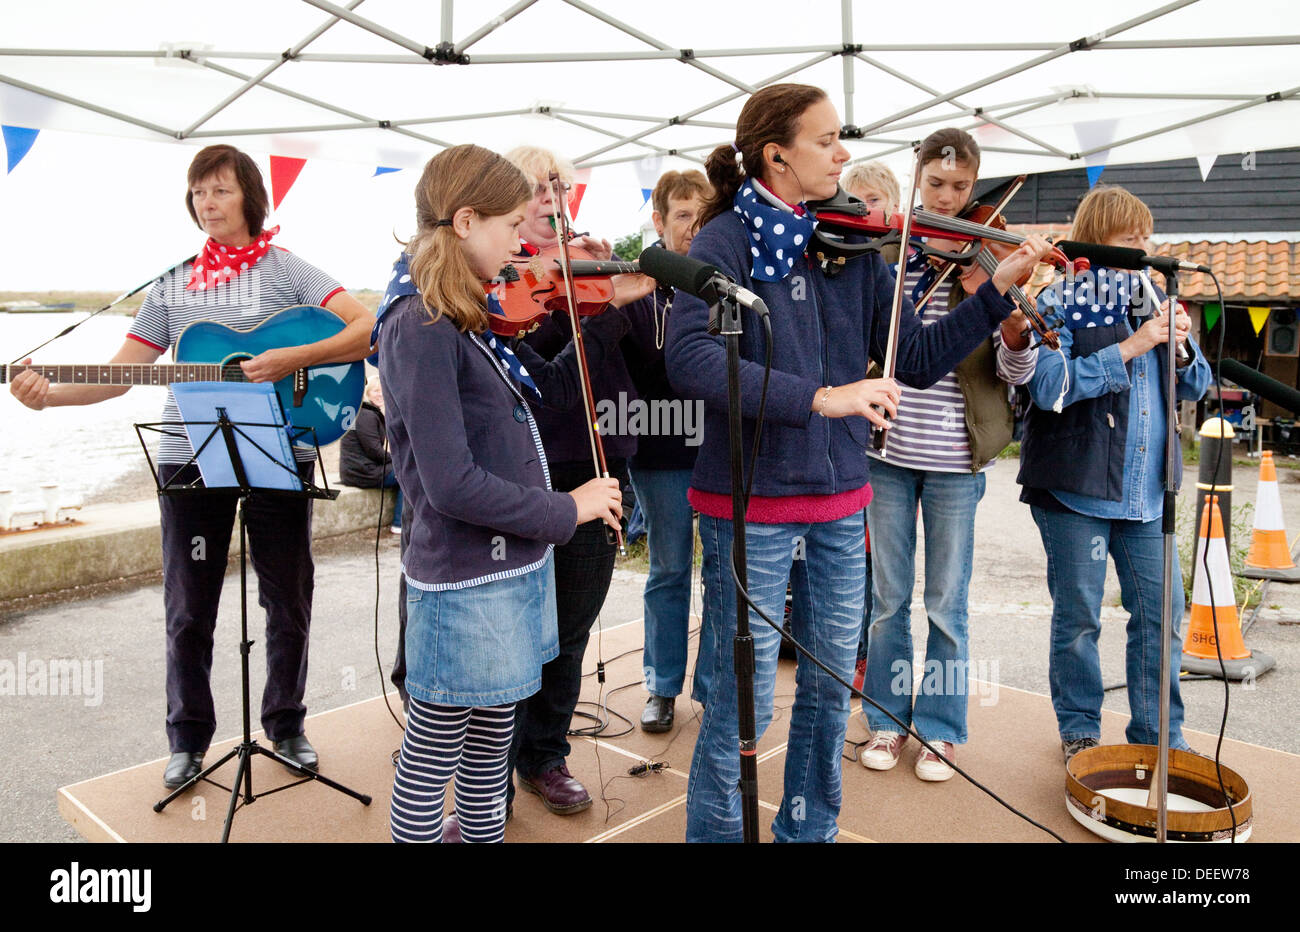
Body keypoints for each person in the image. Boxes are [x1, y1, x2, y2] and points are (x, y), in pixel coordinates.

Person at [665, 83, 1054, 841]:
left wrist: (993, 290)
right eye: (827, 140)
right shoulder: (725, 241)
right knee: (742, 697)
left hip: (842, 501)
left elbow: (911, 357)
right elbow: (690, 360)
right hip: (750, 505)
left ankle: (807, 829)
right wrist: (819, 397)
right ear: (777, 155)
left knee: (826, 688)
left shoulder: (852, 242)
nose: (844, 154)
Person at [9, 144, 373, 788]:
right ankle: (188, 740)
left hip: (279, 448)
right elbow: (124, 374)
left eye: (220, 191)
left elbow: (364, 329)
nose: (207, 202)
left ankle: (286, 724)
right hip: (189, 455)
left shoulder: (289, 269)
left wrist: (294, 359)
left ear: (250, 198)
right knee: (188, 607)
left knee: (287, 599)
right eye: (199, 191)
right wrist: (50, 395)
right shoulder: (171, 284)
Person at [374, 144, 626, 842]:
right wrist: (566, 508)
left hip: (508, 569)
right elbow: (450, 483)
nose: (523, 239)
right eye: (512, 222)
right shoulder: (418, 323)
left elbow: (522, 399)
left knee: (490, 748)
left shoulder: (462, 309)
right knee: (433, 753)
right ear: (464, 221)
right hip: (463, 584)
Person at [859, 128, 1037, 782]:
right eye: (936, 185)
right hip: (888, 453)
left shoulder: (992, 261)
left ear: (974, 187)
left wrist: (1014, 328)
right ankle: (883, 719)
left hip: (958, 461)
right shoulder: (888, 258)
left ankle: (939, 728)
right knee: (886, 598)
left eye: (960, 188)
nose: (948, 197)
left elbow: (1018, 374)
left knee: (945, 603)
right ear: (917, 181)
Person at [1017, 184, 1210, 764]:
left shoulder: (1154, 299)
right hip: (1074, 488)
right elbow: (1048, 386)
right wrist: (1131, 346)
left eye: (1147, 238)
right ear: (1097, 243)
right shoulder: (1057, 300)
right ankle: (1079, 727)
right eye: (1131, 241)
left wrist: (1178, 348)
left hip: (1150, 493)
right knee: (1078, 614)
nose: (1145, 250)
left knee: (1161, 617)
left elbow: (1196, 386)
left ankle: (1159, 738)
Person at [502, 145, 654, 816]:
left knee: (570, 626)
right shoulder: (494, 282)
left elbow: (650, 370)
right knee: (508, 626)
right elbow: (541, 383)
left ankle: (544, 754)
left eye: (559, 187)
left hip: (599, 465)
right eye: (537, 188)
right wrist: (589, 305)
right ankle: (486, 754)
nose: (551, 199)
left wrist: (629, 290)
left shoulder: (590, 266)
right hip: (524, 472)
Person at [620, 169, 711, 732]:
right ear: (659, 221)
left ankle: (716, 686)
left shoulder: (723, 280)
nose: (693, 229)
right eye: (683, 217)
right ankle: (662, 685)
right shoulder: (637, 288)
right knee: (671, 568)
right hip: (659, 449)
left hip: (721, 448)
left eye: (703, 218)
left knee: (728, 574)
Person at [841, 161, 900, 693]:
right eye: (854, 200)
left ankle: (868, 657)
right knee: (855, 558)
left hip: (892, 441)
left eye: (874, 201)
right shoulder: (843, 258)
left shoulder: (891, 266)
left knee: (880, 569)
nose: (864, 210)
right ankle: (851, 654)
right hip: (855, 435)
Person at [338, 376, 402, 533]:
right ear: (368, 393)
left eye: (383, 391)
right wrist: (400, 460)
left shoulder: (362, 411)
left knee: (404, 468)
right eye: (376, 391)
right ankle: (399, 524)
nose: (380, 394)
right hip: (362, 472)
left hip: (356, 470)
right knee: (408, 473)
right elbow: (375, 452)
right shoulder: (366, 415)